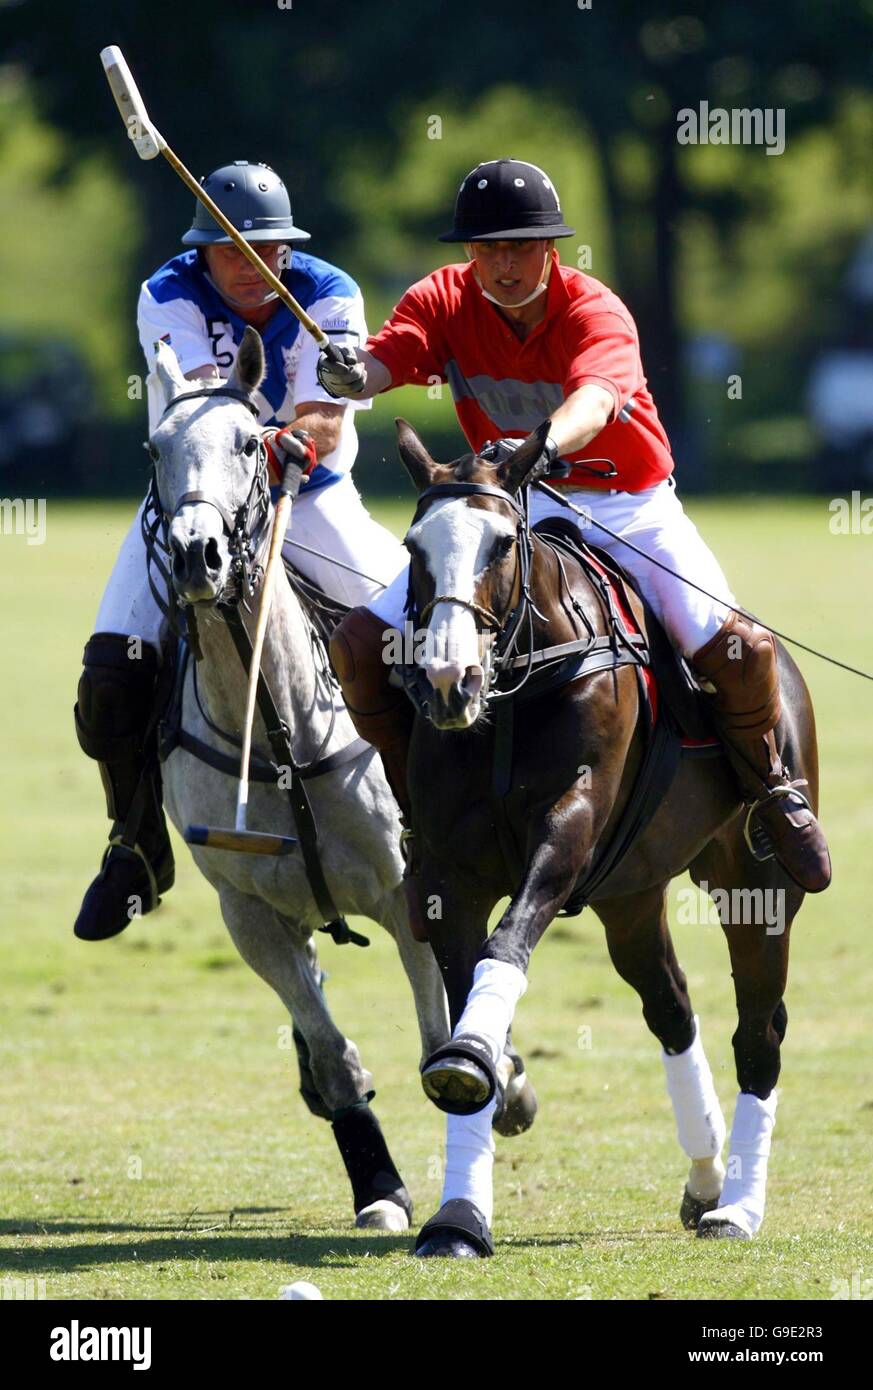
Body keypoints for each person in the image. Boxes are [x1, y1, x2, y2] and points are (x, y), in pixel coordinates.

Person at [317, 158, 831, 896]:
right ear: (468, 252)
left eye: (519, 247)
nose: (502, 263)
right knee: (361, 646)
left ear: (550, 249)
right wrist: (351, 374)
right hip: (510, 510)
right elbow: (388, 359)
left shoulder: (594, 309)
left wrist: (543, 446)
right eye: (487, 248)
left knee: (737, 649)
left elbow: (595, 397)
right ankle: (420, 816)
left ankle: (773, 793)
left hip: (626, 504)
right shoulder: (442, 297)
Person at [73, 161, 408, 941]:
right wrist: (243, 460)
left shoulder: (329, 292)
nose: (259, 268)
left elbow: (324, 419)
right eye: (236, 252)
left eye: (272, 249)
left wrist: (298, 445)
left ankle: (441, 823)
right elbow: (205, 407)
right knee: (110, 675)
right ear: (204, 250)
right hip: (195, 499)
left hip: (311, 498)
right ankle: (136, 845)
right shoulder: (168, 293)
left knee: (419, 634)